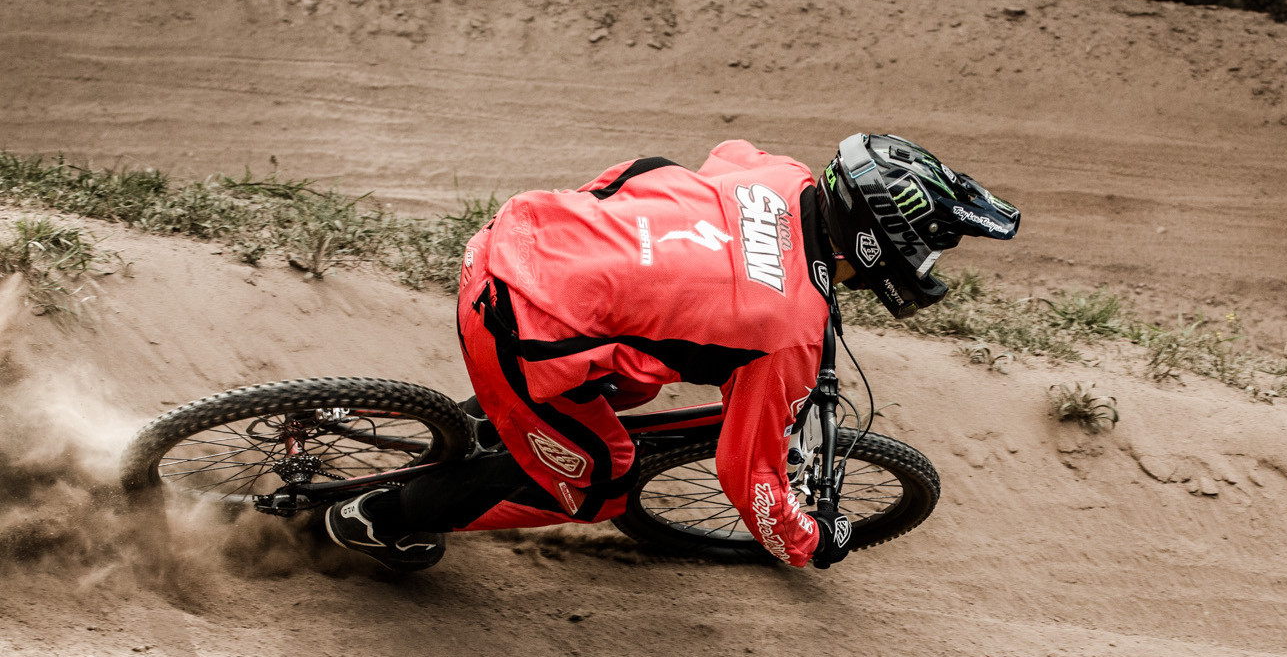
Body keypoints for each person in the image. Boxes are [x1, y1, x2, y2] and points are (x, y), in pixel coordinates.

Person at [324, 134, 1019, 571]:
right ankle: (378, 520)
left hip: (521, 235)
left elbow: (676, 168)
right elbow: (749, 480)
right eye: (926, 245)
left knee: (638, 380)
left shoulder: (775, 174)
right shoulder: (789, 333)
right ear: (881, 242)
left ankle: (489, 427)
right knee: (600, 483)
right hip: (513, 320)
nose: (926, 261)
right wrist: (810, 542)